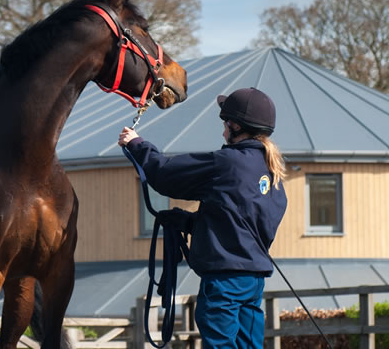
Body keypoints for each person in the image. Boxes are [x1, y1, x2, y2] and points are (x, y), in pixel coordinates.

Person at [118, 87, 288, 348]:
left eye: (225, 123)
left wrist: (137, 145)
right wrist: (190, 222)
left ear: (236, 126)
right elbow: (238, 220)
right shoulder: (271, 171)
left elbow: (165, 175)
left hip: (224, 281)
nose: (223, 130)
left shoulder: (228, 162)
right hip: (253, 281)